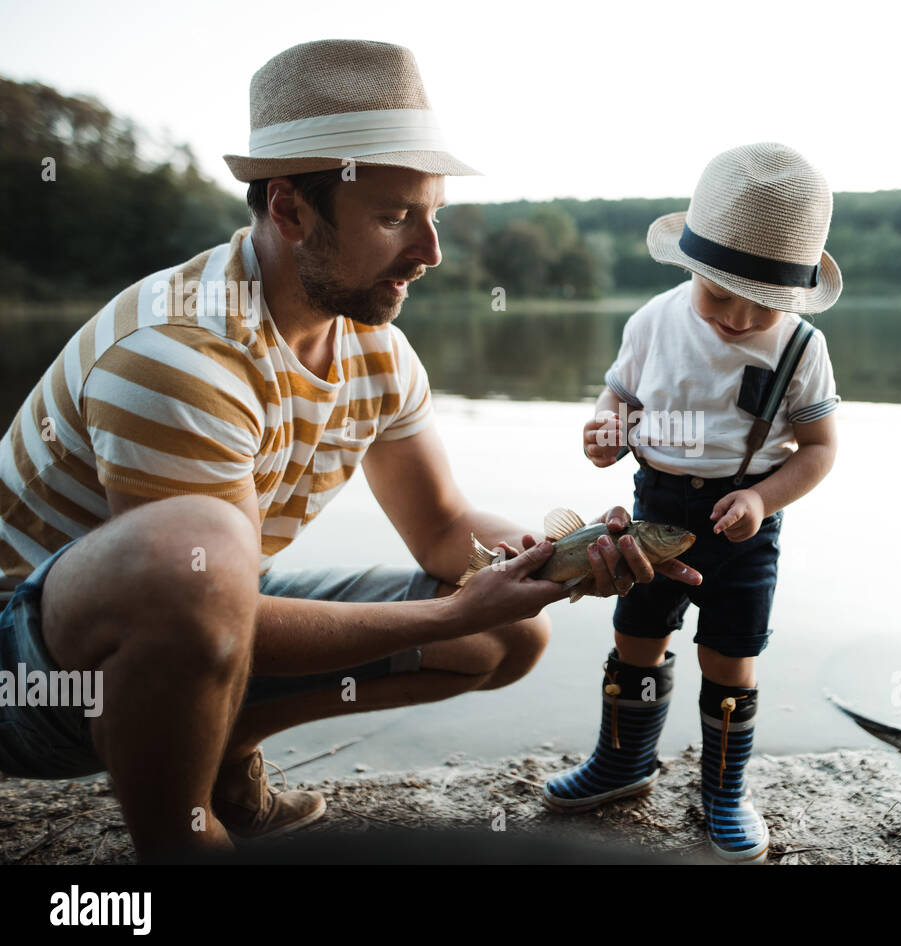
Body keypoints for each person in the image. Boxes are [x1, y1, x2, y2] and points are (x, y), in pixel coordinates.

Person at [0, 39, 697, 862]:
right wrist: (448, 610)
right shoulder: (178, 348)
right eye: (397, 217)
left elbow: (443, 529)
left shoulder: (373, 348)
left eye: (434, 214)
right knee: (200, 551)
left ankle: (221, 754)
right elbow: (186, 592)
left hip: (193, 624)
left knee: (507, 634)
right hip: (32, 675)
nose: (432, 252)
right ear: (290, 209)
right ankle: (183, 842)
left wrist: (566, 561)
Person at [542, 143, 842, 863]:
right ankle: (623, 762)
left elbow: (821, 450)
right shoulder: (653, 321)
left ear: (794, 297)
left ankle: (724, 791)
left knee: (729, 658)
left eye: (761, 302)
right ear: (689, 269)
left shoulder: (802, 348)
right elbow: (621, 393)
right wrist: (607, 425)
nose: (738, 317)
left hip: (744, 524)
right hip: (656, 508)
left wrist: (763, 498)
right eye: (719, 295)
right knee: (636, 635)